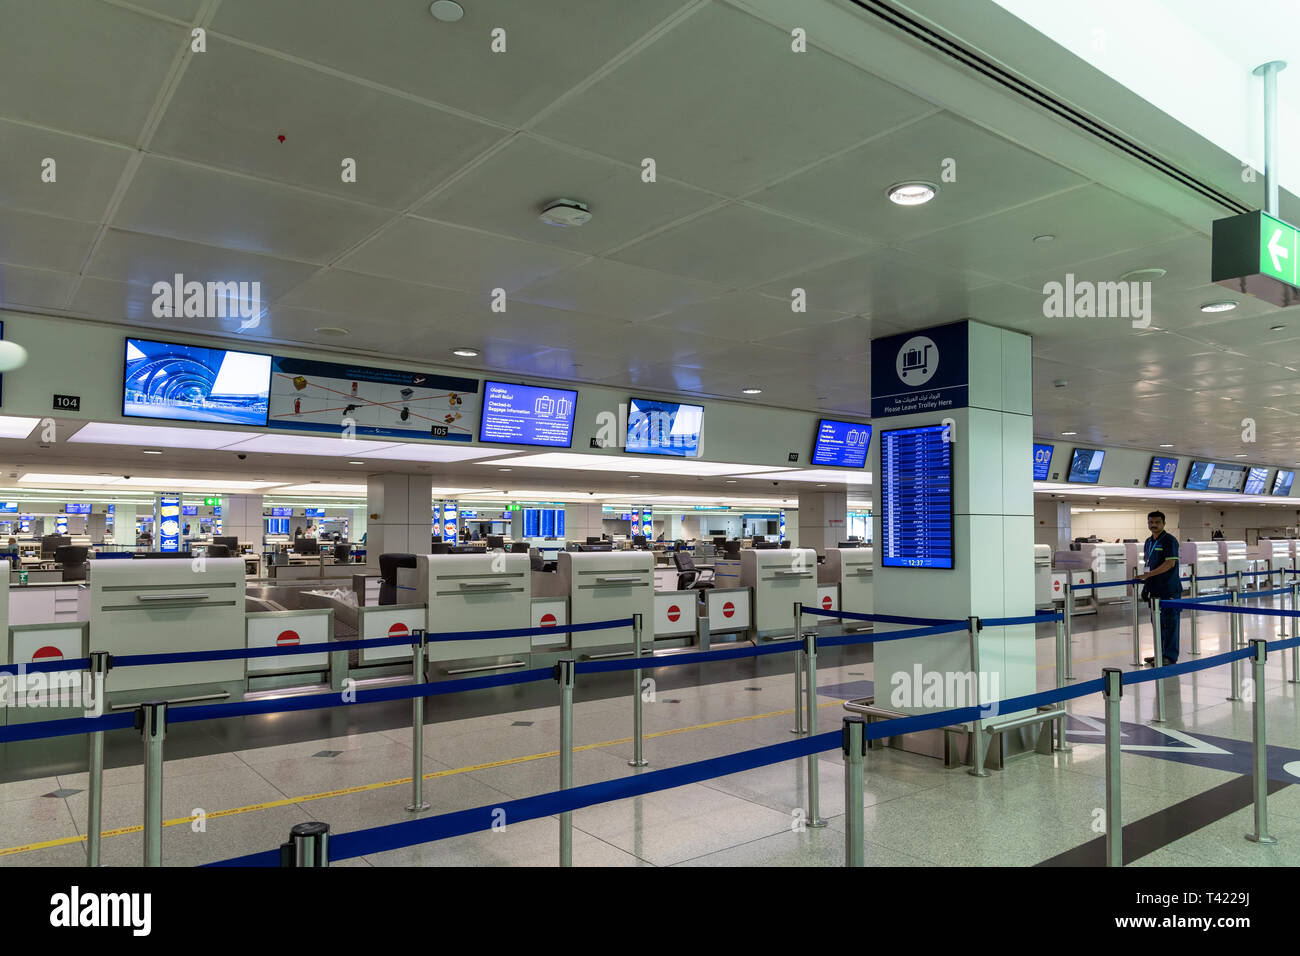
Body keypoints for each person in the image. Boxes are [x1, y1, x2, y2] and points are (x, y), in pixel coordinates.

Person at [1135, 510, 1180, 666]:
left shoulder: (1169, 541)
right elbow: (1148, 564)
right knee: (1157, 625)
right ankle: (1159, 654)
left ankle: (1170, 656)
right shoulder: (1148, 542)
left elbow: (1169, 564)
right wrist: (1146, 585)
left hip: (1169, 589)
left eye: (1157, 522)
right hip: (1154, 589)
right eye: (1151, 522)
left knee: (1170, 625)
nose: (1153, 525)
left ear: (1164, 523)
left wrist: (1146, 576)